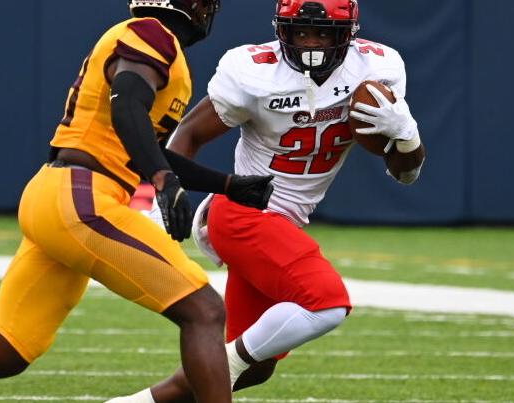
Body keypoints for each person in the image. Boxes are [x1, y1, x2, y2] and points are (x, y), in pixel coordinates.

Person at [0, 1, 276, 402]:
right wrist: (161, 179)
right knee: (204, 311)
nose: (207, 7)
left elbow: (144, 142)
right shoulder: (151, 34)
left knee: (5, 349)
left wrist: (227, 185)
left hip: (57, 195)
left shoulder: (152, 44)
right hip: (84, 196)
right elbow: (127, 109)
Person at [107, 0, 426, 401]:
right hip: (244, 213)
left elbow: (405, 173)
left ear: (348, 34)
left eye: (324, 32)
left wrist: (408, 135)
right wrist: (159, 196)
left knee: (256, 368)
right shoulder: (255, 72)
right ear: (282, 31)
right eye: (302, 31)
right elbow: (190, 133)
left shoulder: (378, 69)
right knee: (326, 303)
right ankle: (226, 365)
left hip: (281, 225)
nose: (312, 43)